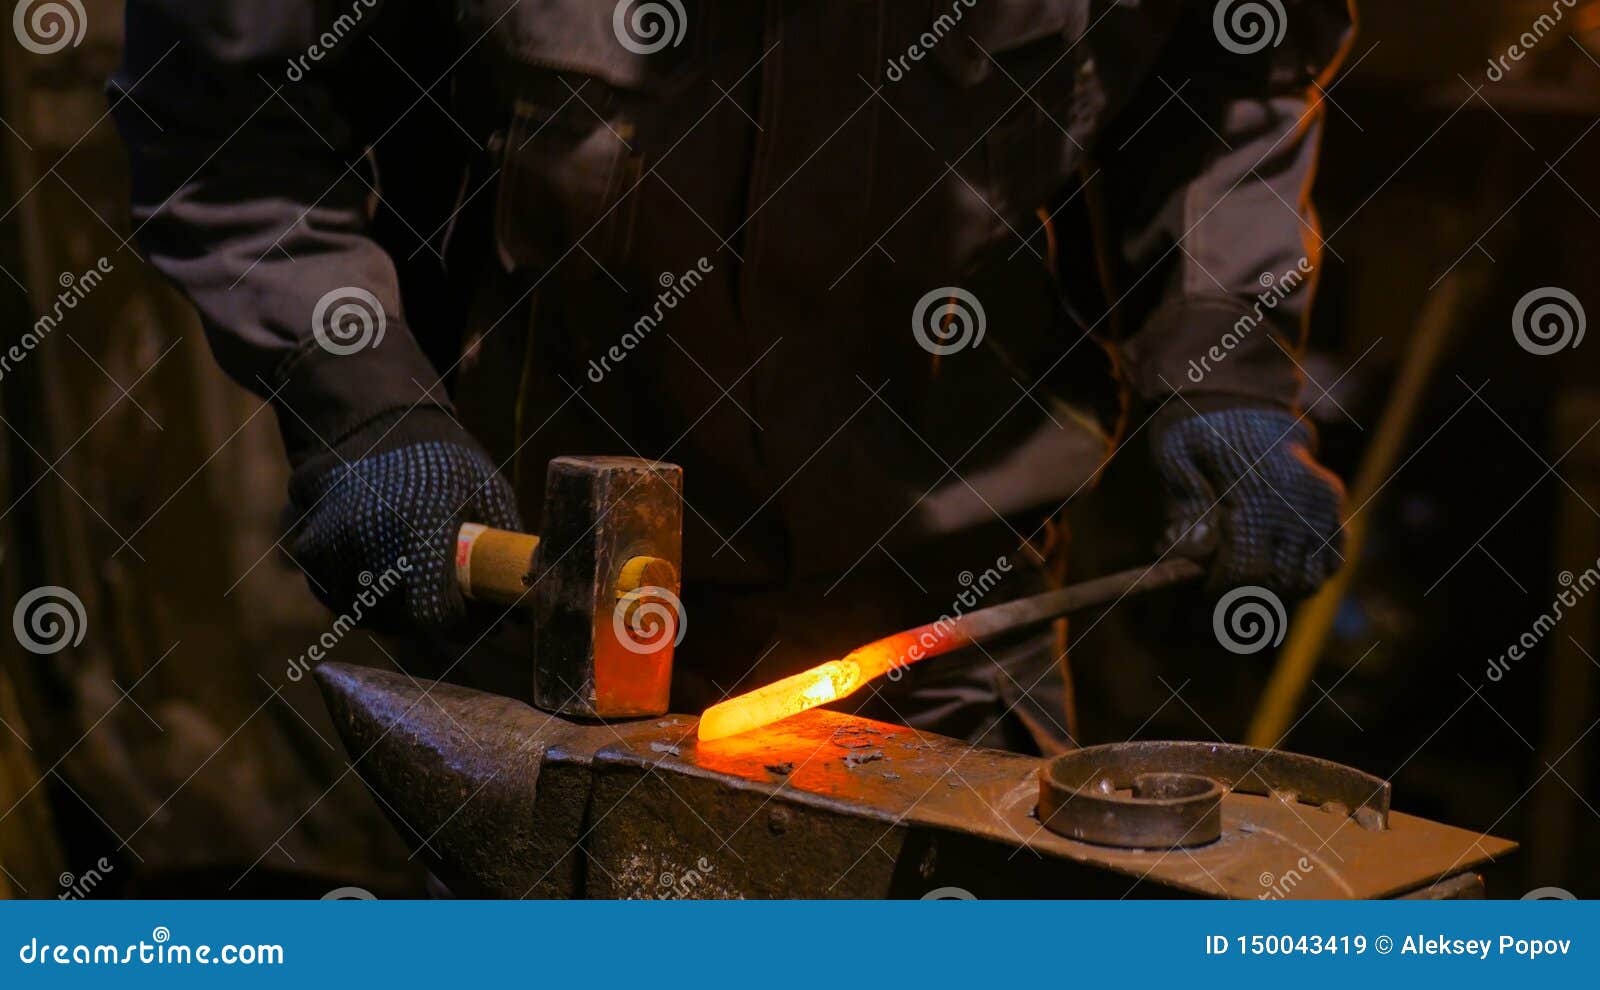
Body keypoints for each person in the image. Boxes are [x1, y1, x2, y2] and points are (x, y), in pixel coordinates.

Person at [112, 0, 1352, 751]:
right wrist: (365, 401)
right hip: (542, 617)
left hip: (942, 607)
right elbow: (224, 116)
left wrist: (1224, 368)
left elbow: (1226, 74)